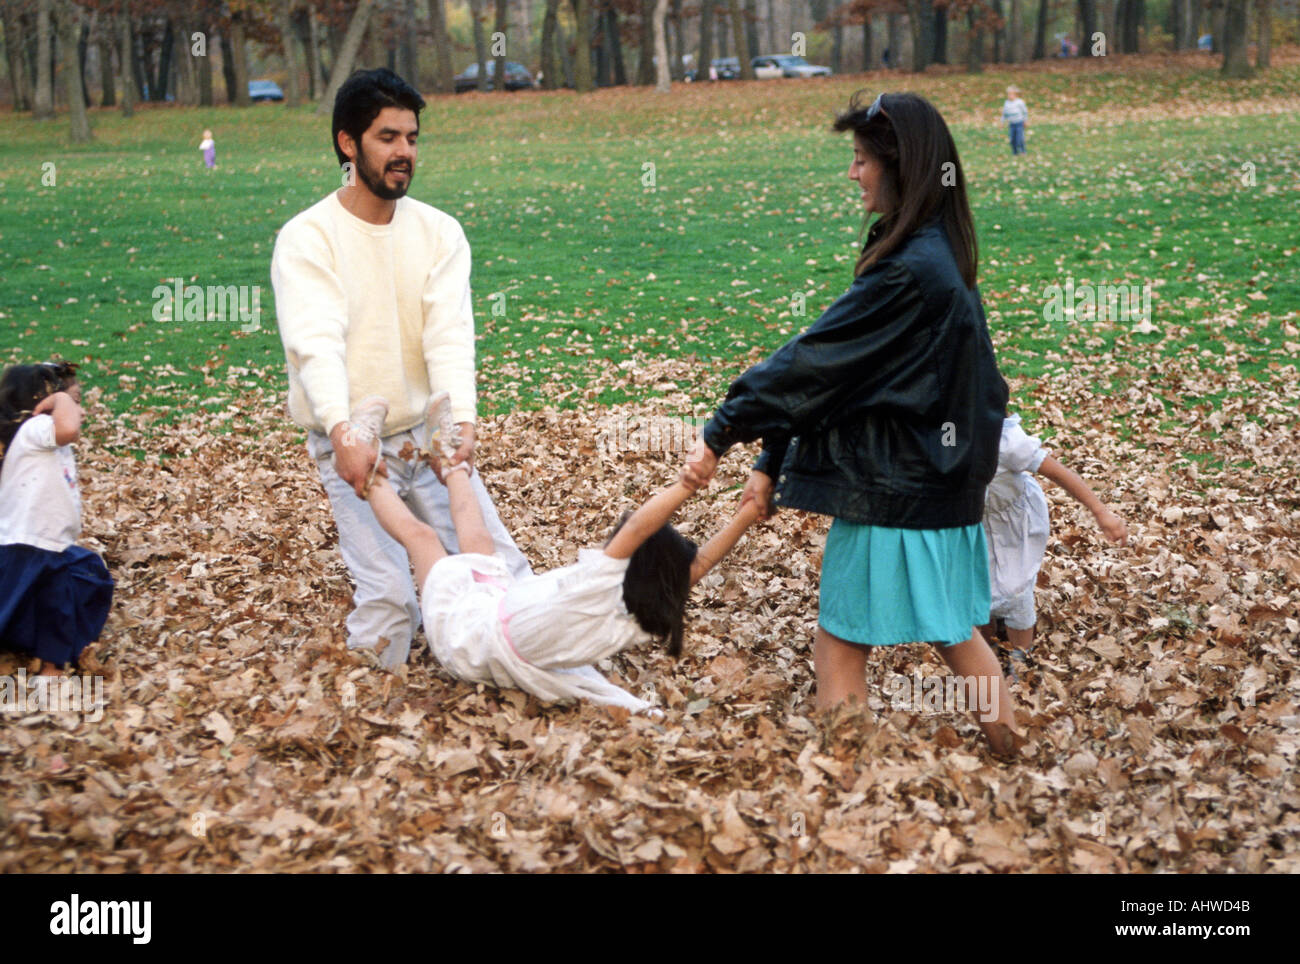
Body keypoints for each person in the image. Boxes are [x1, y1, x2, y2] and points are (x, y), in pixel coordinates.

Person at [683, 91, 1021, 755]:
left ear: (902, 167)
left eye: (861, 160)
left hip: (894, 486)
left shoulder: (910, 270)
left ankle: (849, 784)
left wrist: (723, 427)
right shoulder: (936, 253)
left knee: (840, 636)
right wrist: (768, 462)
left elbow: (812, 364)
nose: (853, 173)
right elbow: (837, 370)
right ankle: (1017, 754)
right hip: (939, 483)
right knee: (955, 629)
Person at [270, 68, 530, 672]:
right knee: (389, 601)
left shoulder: (440, 232)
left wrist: (461, 419)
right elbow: (316, 344)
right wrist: (339, 429)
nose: (404, 153)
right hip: (351, 443)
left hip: (427, 436)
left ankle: (522, 680)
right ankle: (364, 720)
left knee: (504, 572)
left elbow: (448, 336)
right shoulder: (309, 238)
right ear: (347, 142)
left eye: (411, 138)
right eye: (388, 138)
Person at [348, 391, 761, 711]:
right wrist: (746, 515)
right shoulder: (635, 617)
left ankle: (365, 474)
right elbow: (698, 566)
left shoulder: (597, 584)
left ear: (630, 563)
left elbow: (638, 525)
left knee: (422, 539)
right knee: (478, 542)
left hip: (464, 635)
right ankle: (449, 457)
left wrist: (687, 484)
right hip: (496, 609)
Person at [980, 413, 1128, 659]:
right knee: (976, 587)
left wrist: (1101, 512)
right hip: (972, 521)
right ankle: (987, 652)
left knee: (1016, 586)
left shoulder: (1006, 440)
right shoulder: (948, 432)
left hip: (1015, 522)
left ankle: (1020, 657)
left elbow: (1059, 473)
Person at [0, 362, 114, 676]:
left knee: (73, 587)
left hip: (48, 540)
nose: (81, 411)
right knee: (35, 603)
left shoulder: (44, 438)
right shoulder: (35, 428)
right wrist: (62, 402)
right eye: (75, 401)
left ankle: (52, 664)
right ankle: (49, 664)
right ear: (43, 402)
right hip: (26, 541)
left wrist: (64, 401)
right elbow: (68, 428)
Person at [1000, 86, 1027, 156]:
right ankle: (1015, 152)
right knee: (1012, 140)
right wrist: (1002, 122)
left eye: (1011, 94)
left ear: (1016, 95)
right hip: (1011, 124)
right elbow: (1004, 113)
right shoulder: (1007, 103)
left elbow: (1024, 112)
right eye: (1008, 94)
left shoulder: (1019, 102)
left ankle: (1023, 151)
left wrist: (1025, 121)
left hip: (1019, 123)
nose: (1010, 96)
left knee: (1019, 139)